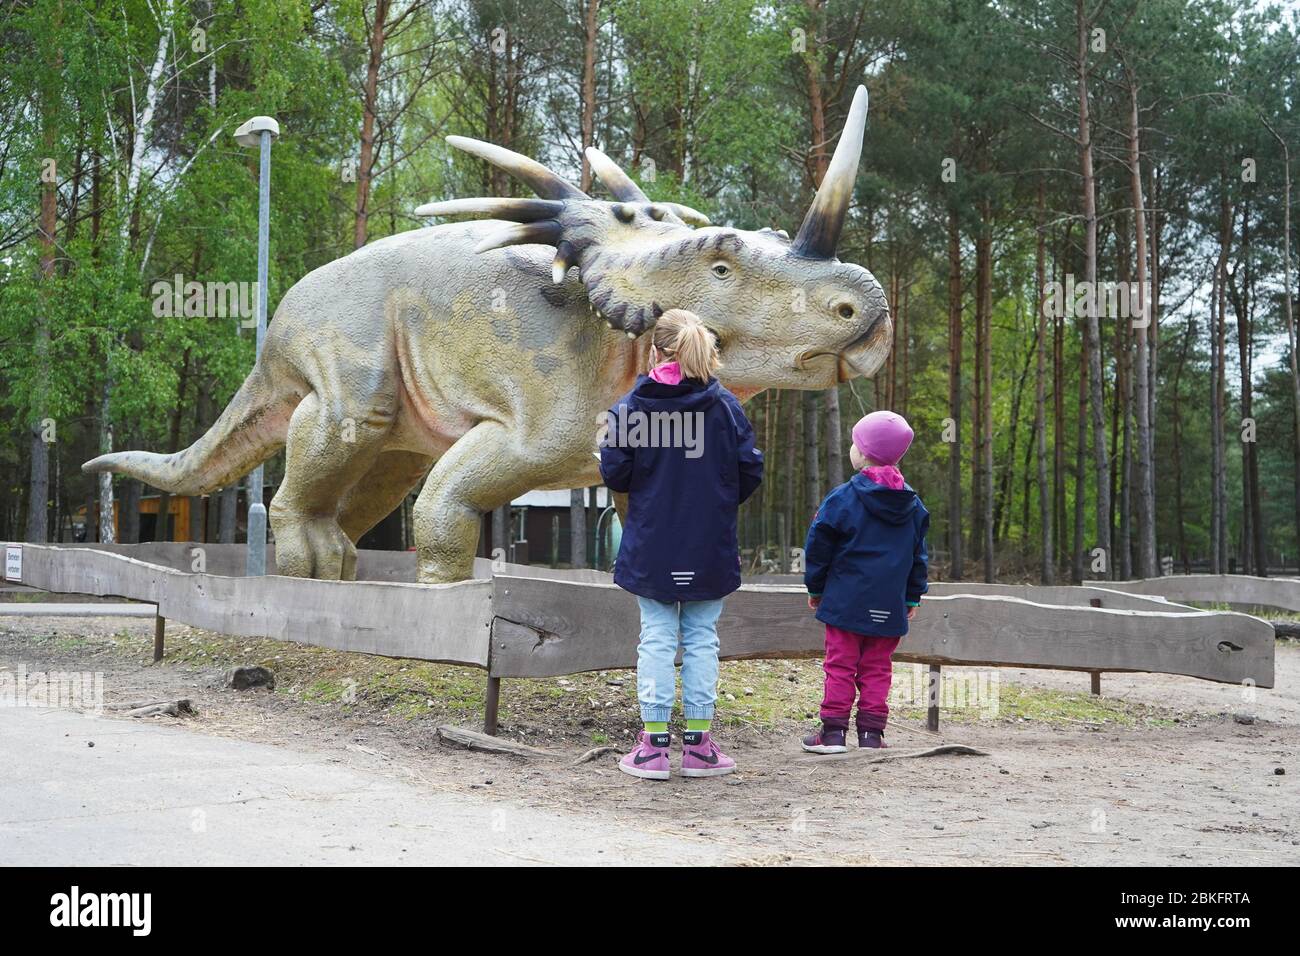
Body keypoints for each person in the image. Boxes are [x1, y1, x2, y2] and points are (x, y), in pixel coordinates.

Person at [599, 309, 763, 779]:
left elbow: (615, 472)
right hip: (707, 545)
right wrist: (714, 502)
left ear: (655, 352)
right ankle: (698, 746)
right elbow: (749, 470)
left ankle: (652, 748)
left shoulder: (631, 409)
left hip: (653, 543)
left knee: (655, 637)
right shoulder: (726, 408)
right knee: (701, 640)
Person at [801, 410, 928, 753]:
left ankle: (833, 733)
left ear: (864, 452)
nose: (851, 449)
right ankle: (872, 735)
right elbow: (919, 556)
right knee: (877, 668)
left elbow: (819, 545)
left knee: (840, 664)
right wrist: (912, 597)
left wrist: (816, 587)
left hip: (845, 602)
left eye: (855, 443)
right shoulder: (913, 506)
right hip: (889, 605)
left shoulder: (842, 498)